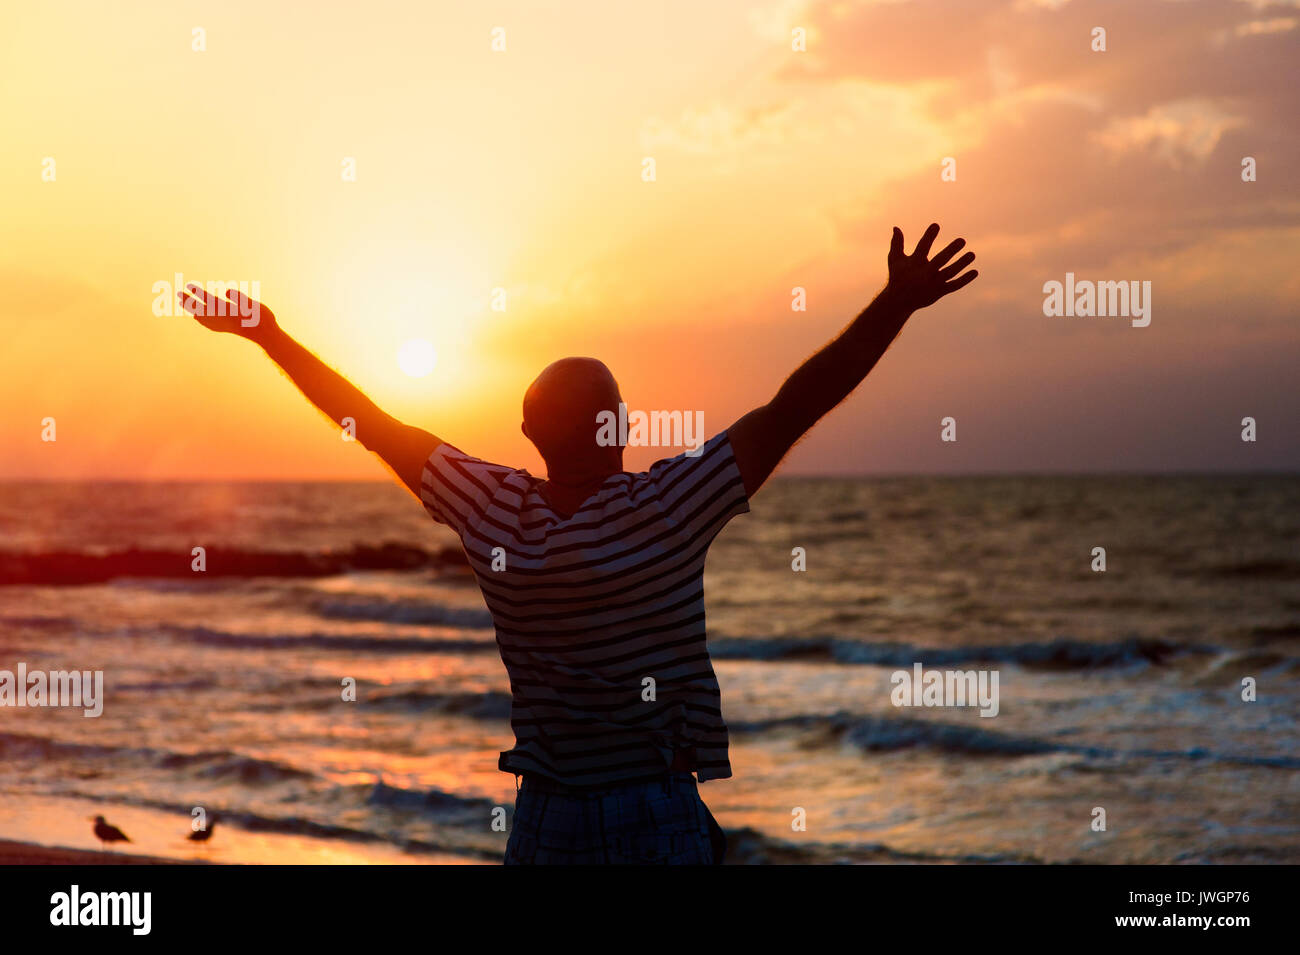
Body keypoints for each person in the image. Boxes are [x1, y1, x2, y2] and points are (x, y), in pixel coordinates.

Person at [177, 223, 977, 864]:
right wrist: (893, 304)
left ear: (528, 432)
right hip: (652, 812)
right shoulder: (668, 504)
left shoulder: (492, 508)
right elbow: (797, 403)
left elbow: (372, 425)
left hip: (545, 818)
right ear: (620, 426)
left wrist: (268, 337)